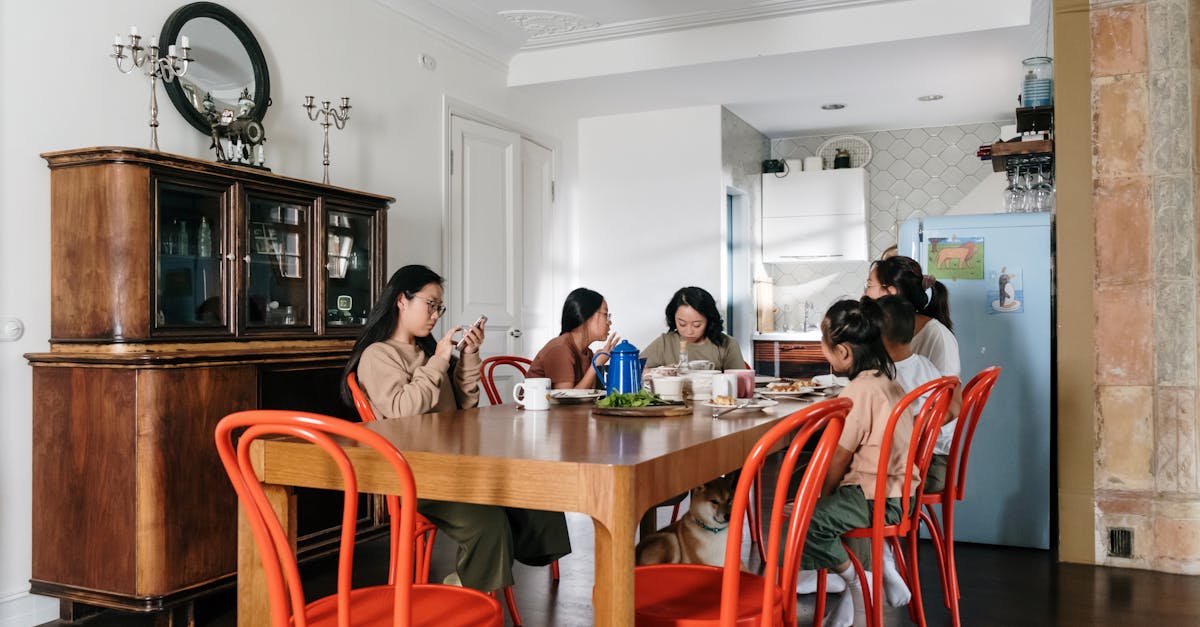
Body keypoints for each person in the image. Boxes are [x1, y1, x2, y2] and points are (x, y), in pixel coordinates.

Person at [341, 264, 570, 592]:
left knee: (530, 491)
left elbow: (464, 405)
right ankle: (465, 586)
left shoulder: (424, 352)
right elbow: (403, 410)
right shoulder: (379, 356)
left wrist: (469, 355)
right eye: (430, 304)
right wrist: (437, 360)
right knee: (488, 523)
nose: (435, 314)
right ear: (401, 301)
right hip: (415, 474)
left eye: (440, 307)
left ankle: (487, 569)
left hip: (453, 464)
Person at [797, 298, 916, 627]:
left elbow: (839, 454)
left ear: (843, 352)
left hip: (875, 497)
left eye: (823, 343)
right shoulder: (887, 381)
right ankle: (876, 570)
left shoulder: (859, 392)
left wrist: (822, 494)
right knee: (826, 505)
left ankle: (857, 582)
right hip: (898, 492)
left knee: (805, 521)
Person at [864, 255, 961, 378]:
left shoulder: (937, 335)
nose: (864, 294)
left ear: (890, 292)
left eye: (869, 286)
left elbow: (950, 393)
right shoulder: (882, 330)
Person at [528, 287, 619, 389]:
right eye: (605, 314)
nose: (609, 322)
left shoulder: (587, 353)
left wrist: (597, 362)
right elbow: (567, 401)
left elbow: (589, 396)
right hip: (532, 405)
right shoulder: (560, 349)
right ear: (587, 315)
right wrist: (595, 366)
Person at [641, 286, 747, 371]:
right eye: (682, 324)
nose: (689, 332)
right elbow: (632, 371)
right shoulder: (665, 343)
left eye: (697, 325)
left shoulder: (727, 344)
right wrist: (660, 372)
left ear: (709, 320)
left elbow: (740, 381)